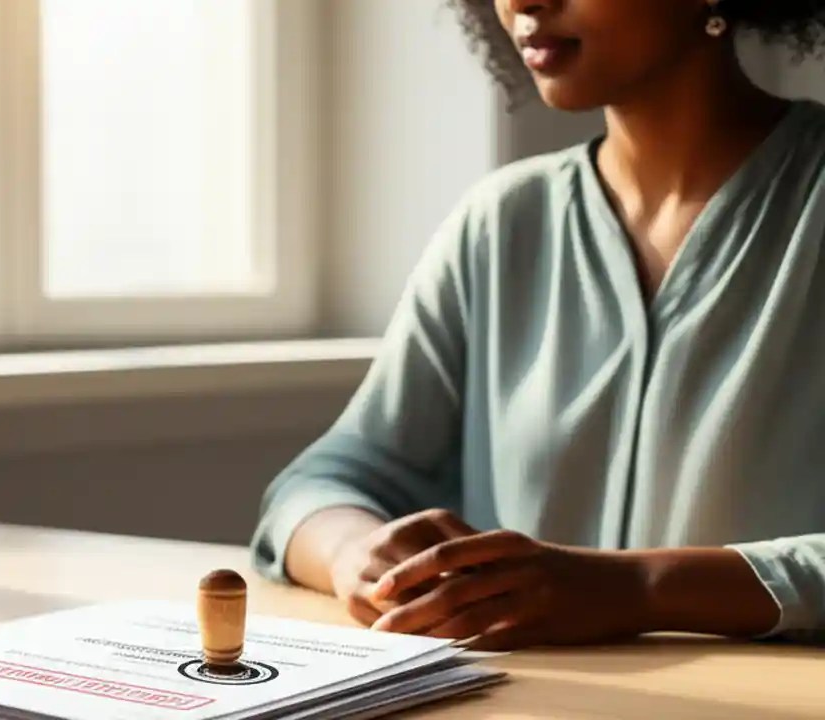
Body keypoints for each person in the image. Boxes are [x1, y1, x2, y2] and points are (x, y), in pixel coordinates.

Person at [251, 0, 825, 650]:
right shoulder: (501, 225)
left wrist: (636, 590)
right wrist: (357, 555)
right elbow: (322, 482)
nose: (522, 1)